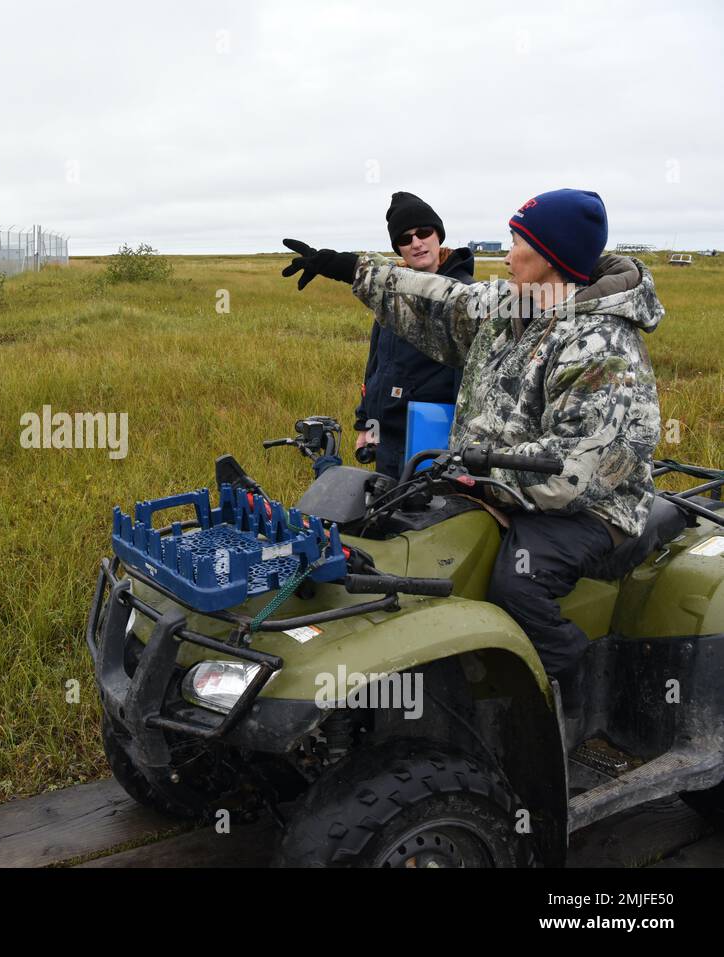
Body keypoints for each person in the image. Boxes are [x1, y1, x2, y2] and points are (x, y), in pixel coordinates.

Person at [281, 189, 663, 714]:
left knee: (518, 583)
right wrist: (349, 269)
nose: (506, 256)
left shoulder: (601, 347)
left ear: (551, 258)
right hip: (491, 483)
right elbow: (437, 297)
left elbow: (571, 474)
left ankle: (576, 697)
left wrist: (478, 481)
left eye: (517, 243)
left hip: (592, 507)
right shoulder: (515, 307)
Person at [353, 193, 473, 479]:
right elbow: (377, 366)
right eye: (405, 239)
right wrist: (367, 424)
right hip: (389, 440)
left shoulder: (465, 298)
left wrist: (461, 451)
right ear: (398, 248)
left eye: (423, 232)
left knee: (424, 520)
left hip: (433, 445)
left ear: (438, 235)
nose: (416, 243)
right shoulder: (391, 296)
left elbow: (469, 384)